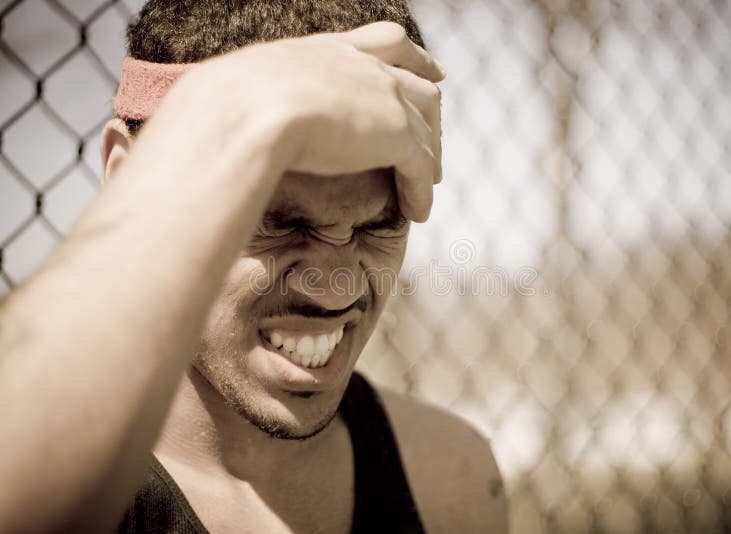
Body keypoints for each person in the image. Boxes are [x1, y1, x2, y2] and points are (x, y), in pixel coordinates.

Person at [0, 1, 507, 532]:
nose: (334, 291)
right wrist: (233, 112)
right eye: (274, 221)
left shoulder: (449, 480)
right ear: (127, 178)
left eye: (377, 227)